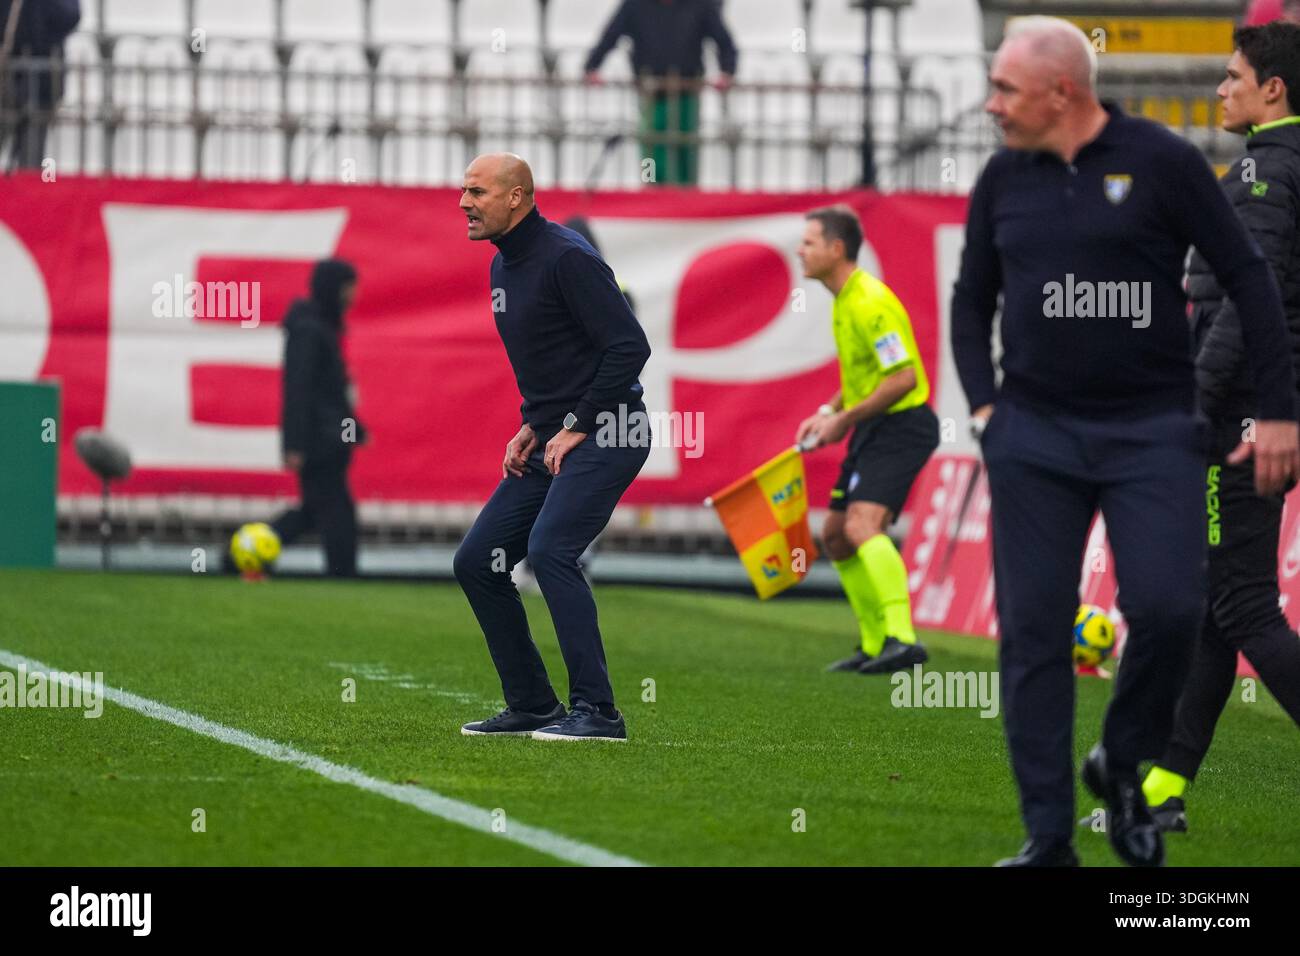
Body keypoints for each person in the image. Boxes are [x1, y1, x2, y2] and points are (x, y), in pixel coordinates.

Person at [950, 17, 1299, 867]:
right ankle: (1051, 837)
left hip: (1156, 431)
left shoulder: (1170, 164)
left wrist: (1275, 412)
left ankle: (1124, 759)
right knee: (1034, 632)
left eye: (1005, 89)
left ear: (1061, 90)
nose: (991, 105)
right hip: (1033, 438)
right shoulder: (1000, 180)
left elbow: (1251, 280)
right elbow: (970, 302)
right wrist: (989, 412)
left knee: (1178, 610)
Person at [1144, 21, 1300, 833]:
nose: (1220, 88)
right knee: (1218, 602)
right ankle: (1165, 785)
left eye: (1233, 76)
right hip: (1263, 409)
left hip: (1238, 415)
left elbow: (1251, 295)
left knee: (1240, 603)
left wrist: (1198, 405)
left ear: (1273, 89)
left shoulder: (1264, 173)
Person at [454, 153, 652, 743]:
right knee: (476, 562)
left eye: (477, 192)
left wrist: (577, 423)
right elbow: (552, 361)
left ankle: (599, 713)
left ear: (516, 197)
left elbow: (629, 347)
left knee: (551, 552)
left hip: (613, 430)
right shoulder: (502, 268)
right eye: (462, 191)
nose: (463, 203)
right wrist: (534, 424)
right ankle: (534, 705)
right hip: (558, 434)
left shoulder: (568, 258)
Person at [794, 205, 938, 675]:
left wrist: (844, 420)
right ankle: (876, 644)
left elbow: (902, 378)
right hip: (874, 426)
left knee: (862, 526)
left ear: (837, 250)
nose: (800, 250)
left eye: (809, 242)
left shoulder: (869, 301)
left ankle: (904, 639)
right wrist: (828, 412)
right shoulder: (844, 298)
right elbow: (868, 375)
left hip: (904, 424)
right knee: (836, 536)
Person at [268, 258, 366, 578]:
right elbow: (298, 390)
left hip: (327, 438)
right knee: (336, 511)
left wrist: (356, 430)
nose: (353, 295)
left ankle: (244, 552)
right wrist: (294, 444)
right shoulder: (310, 331)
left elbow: (329, 393)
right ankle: (343, 574)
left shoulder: (320, 328)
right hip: (319, 441)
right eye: (349, 288)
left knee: (315, 510)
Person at [584, 0, 737, 186]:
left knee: (685, 147)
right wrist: (592, 66)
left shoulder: (700, 5)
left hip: (686, 93)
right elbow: (610, 35)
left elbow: (724, 41)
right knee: (650, 148)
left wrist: (726, 72)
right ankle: (651, 187)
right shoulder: (635, 5)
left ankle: (686, 193)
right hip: (650, 93)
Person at [0, 0, 80, 170]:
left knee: (30, 156)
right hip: (8, 74)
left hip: (43, 80)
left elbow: (70, 16)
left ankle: (25, 190)